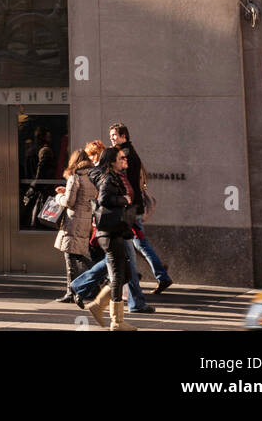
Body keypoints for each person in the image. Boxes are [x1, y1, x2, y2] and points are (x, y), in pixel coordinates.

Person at [109, 123, 172, 294]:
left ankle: (149, 276)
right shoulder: (128, 152)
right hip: (133, 206)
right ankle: (157, 275)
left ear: (124, 136)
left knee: (136, 244)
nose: (112, 137)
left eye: (115, 134)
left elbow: (124, 181)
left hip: (129, 208)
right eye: (111, 134)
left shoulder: (125, 155)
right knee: (137, 244)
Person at [88, 144, 137, 331]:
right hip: (109, 232)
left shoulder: (112, 176)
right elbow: (104, 199)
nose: (124, 160)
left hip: (112, 232)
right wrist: (124, 200)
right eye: (121, 158)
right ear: (112, 162)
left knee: (125, 274)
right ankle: (116, 322)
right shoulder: (109, 177)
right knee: (118, 274)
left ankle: (98, 305)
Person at [52, 148, 94, 302]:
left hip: (73, 220)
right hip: (86, 219)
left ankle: (71, 292)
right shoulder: (92, 176)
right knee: (79, 255)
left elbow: (69, 202)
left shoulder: (75, 177)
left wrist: (59, 197)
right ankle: (100, 276)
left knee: (70, 257)